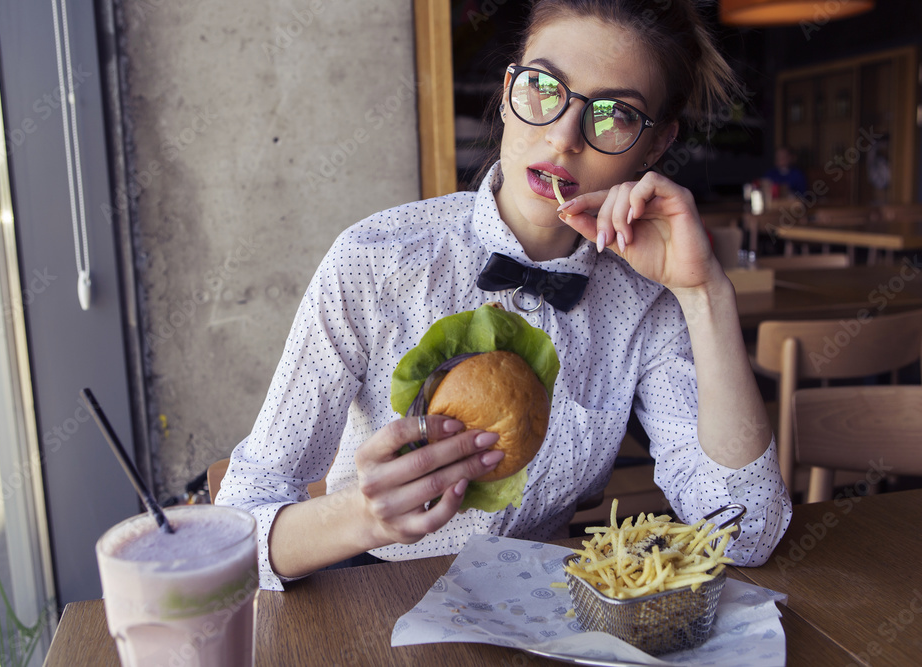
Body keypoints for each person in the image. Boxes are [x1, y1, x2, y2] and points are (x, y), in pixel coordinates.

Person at [218, 0, 793, 591]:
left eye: (615, 114)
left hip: (544, 610)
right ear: (508, 91)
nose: (565, 136)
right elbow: (236, 529)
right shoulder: (375, 258)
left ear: (655, 146)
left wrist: (704, 293)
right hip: (374, 599)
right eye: (545, 87)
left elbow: (745, 535)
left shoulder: (646, 299)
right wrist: (364, 518)